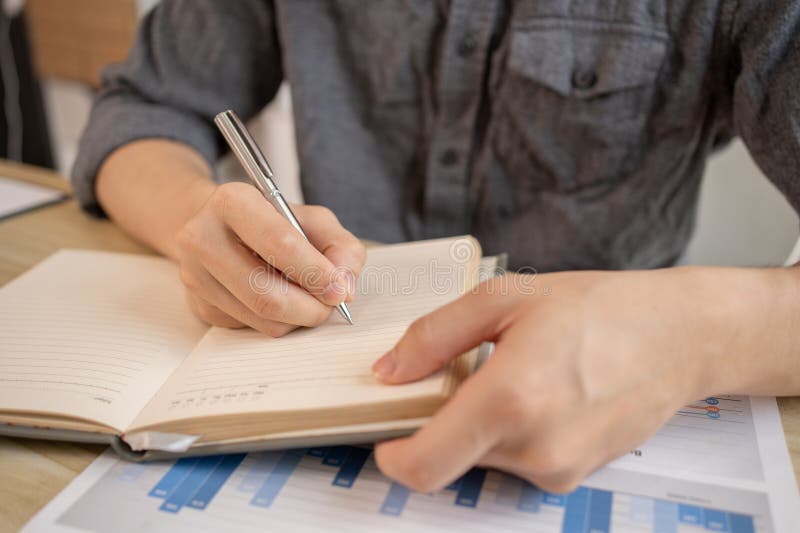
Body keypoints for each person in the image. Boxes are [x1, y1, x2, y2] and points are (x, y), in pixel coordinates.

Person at [73, 1, 800, 493]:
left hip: (621, 420)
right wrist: (194, 216)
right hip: (317, 374)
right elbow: (144, 105)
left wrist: (689, 334)